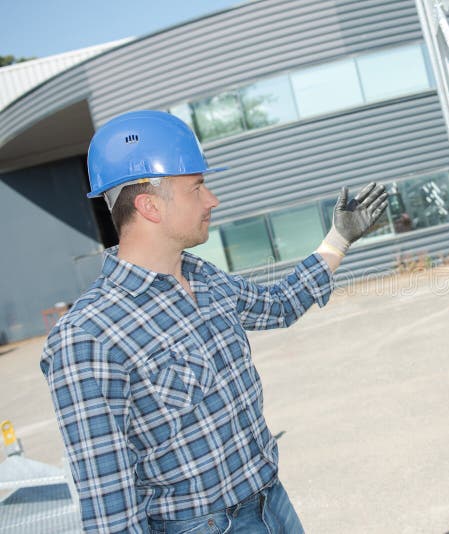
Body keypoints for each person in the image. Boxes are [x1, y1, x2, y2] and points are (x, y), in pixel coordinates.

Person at [40, 110, 388, 533]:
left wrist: (339, 238)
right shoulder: (88, 338)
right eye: (197, 187)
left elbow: (278, 304)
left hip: (272, 503)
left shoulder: (204, 278)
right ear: (150, 205)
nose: (212, 200)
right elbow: (111, 507)